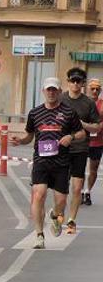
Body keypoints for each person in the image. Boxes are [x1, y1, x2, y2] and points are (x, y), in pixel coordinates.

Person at [11, 76, 85, 249]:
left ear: (59, 92)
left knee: (60, 202)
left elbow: (81, 133)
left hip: (61, 163)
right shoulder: (35, 113)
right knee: (39, 194)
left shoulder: (69, 112)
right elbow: (29, 136)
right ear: (43, 91)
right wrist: (20, 140)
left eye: (54, 89)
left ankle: (55, 215)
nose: (51, 92)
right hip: (41, 161)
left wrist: (70, 137)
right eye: (48, 89)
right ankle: (39, 235)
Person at [60, 66, 101, 232]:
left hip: (80, 149)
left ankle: (71, 220)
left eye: (79, 81)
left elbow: (97, 127)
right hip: (61, 149)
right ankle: (57, 213)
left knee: (77, 187)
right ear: (68, 82)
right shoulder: (60, 100)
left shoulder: (89, 103)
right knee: (61, 187)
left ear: (82, 84)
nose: (75, 84)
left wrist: (82, 124)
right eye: (72, 81)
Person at [85, 76, 103, 206]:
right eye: (92, 89)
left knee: (94, 169)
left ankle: (87, 191)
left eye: (97, 89)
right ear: (88, 89)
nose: (95, 91)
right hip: (82, 141)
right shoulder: (82, 102)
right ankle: (78, 191)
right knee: (77, 169)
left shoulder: (102, 104)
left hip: (97, 142)